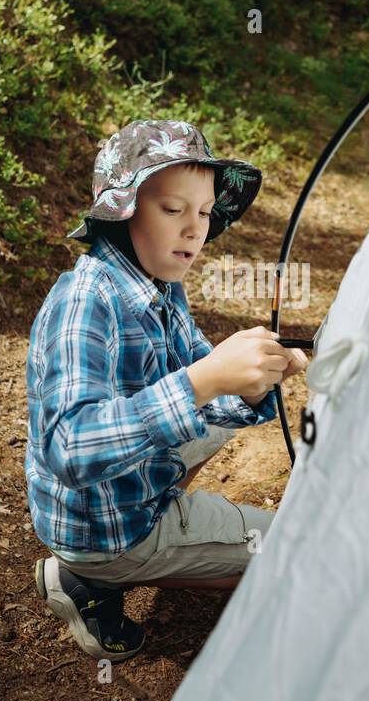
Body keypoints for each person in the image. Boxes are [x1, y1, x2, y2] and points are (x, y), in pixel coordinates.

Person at [25, 119, 310, 662]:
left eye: (204, 213)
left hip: (124, 485)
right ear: (123, 210)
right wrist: (205, 379)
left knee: (214, 416)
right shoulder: (85, 301)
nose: (195, 230)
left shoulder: (158, 285)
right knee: (299, 549)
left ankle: (138, 538)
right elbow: (68, 448)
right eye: (173, 209)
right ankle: (93, 579)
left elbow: (203, 383)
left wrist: (254, 382)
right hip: (106, 528)